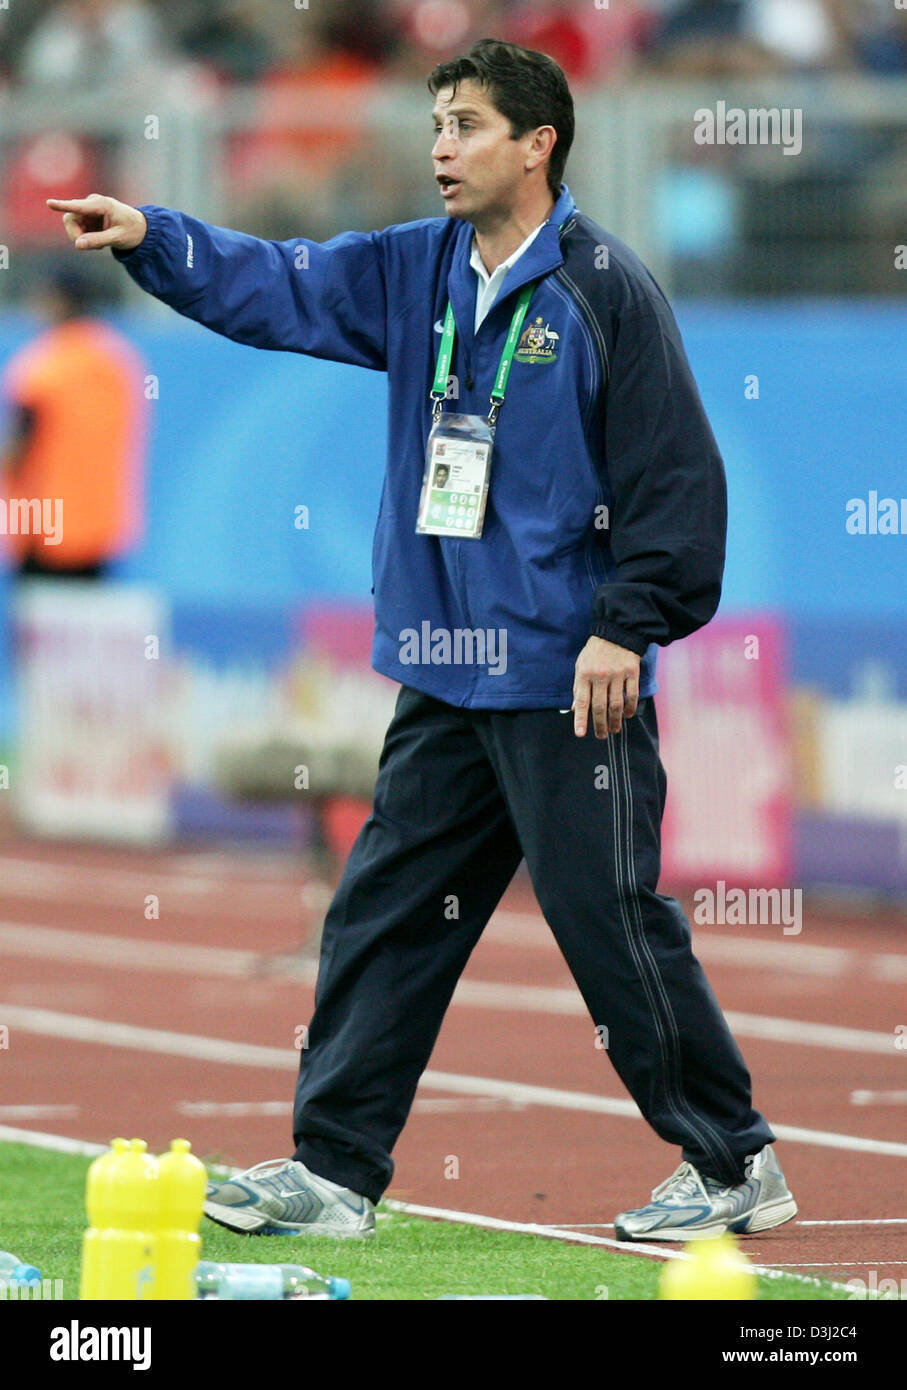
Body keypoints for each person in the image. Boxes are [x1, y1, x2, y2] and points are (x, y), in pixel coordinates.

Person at [48, 38, 796, 1243]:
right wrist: (155, 238)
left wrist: (624, 627)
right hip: (446, 668)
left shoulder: (607, 291)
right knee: (385, 915)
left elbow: (675, 484)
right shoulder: (414, 270)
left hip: (566, 678)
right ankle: (335, 1172)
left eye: (466, 126)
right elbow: (278, 283)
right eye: (435, 124)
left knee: (608, 926)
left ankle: (734, 1162)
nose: (439, 148)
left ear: (537, 144)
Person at [1, 267, 147, 580]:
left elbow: (18, 449)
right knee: (83, 622)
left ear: (58, 302)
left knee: (40, 624)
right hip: (99, 526)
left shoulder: (44, 367)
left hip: (42, 527)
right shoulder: (118, 361)